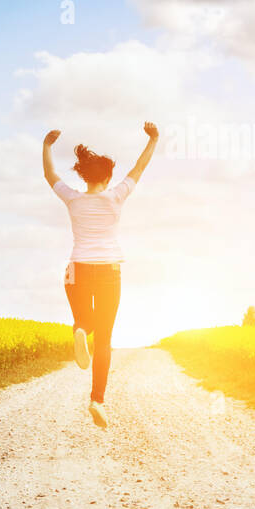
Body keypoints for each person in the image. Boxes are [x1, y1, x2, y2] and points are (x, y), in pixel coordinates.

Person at [42, 122, 158, 428]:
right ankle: (97, 400)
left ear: (84, 176)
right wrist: (154, 139)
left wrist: (47, 146)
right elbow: (139, 168)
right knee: (104, 340)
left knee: (84, 320)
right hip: (109, 271)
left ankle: (81, 328)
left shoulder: (73, 199)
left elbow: (50, 176)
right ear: (106, 178)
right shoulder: (115, 197)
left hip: (76, 270)